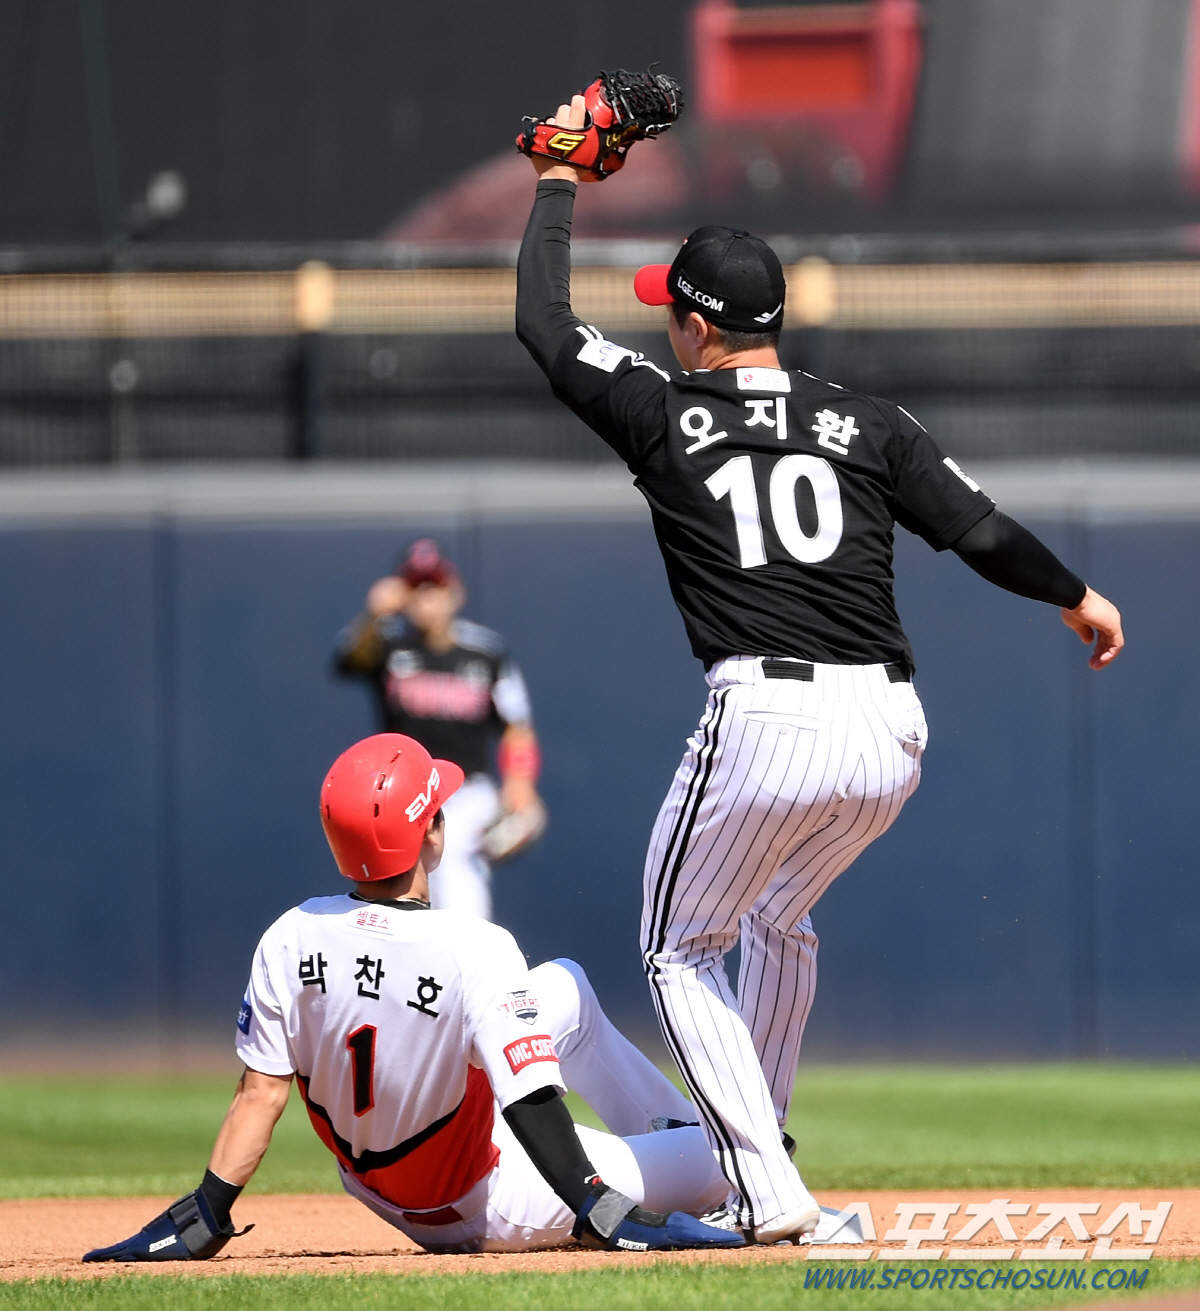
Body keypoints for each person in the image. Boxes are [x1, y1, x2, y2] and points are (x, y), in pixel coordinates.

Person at [515, 95, 1124, 1245]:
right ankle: (769, 1146)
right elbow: (981, 530)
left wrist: (559, 180)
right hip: (890, 731)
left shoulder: (664, 412)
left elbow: (546, 326)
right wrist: (1078, 598)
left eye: (671, 315)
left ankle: (765, 1191)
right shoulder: (868, 421)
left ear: (696, 328)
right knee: (779, 919)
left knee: (671, 947)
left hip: (768, 714)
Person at [83, 733, 742, 1262]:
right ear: (432, 834)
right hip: (489, 1198)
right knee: (740, 1157)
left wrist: (206, 1210)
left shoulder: (288, 934)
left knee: (565, 982)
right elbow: (533, 1101)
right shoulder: (474, 944)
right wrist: (595, 1207)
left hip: (384, 1186)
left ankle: (671, 1130)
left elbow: (259, 1096)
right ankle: (698, 1154)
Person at [334, 538, 545, 920]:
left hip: (467, 792)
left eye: (435, 586)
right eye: (417, 587)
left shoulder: (485, 652)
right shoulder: (387, 644)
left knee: (459, 880)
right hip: (399, 792)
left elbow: (517, 727)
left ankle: (473, 964)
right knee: (400, 896)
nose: (427, 597)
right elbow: (347, 660)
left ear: (455, 591)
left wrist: (521, 783)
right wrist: (373, 614)